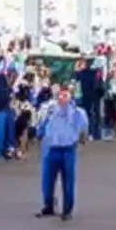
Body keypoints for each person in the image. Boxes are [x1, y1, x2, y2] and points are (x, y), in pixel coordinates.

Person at [34, 86, 87, 222]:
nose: (62, 98)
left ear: (71, 97)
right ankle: (48, 205)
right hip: (51, 148)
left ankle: (67, 209)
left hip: (68, 149)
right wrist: (39, 134)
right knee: (47, 180)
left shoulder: (77, 112)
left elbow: (83, 128)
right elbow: (41, 123)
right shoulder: (49, 109)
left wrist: (81, 139)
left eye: (65, 95)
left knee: (68, 181)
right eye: (60, 95)